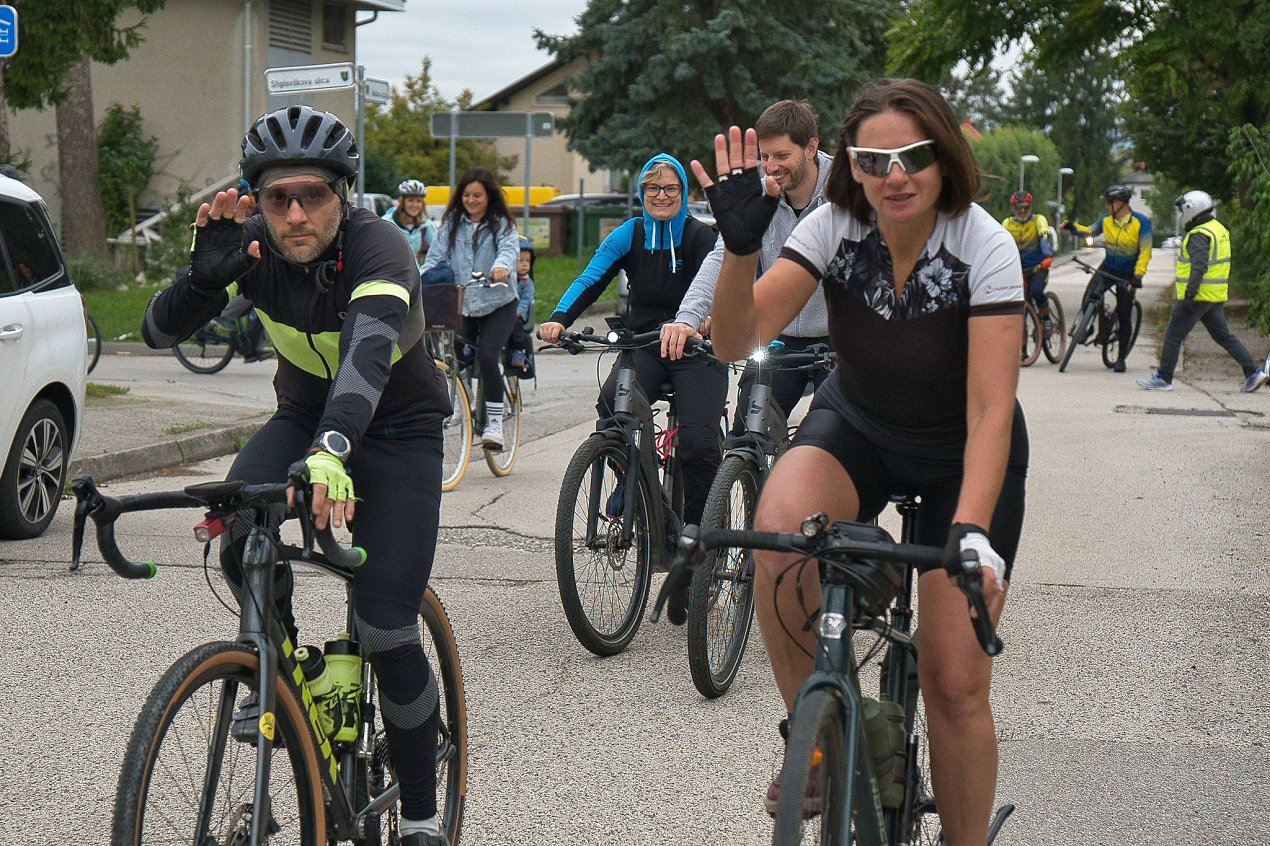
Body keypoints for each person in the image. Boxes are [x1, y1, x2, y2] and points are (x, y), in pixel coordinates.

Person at [692, 78, 1025, 846]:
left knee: (954, 682)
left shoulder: (983, 243)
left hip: (960, 452)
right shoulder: (834, 227)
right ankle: (822, 740)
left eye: (913, 156)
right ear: (854, 167)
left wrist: (972, 530)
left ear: (943, 158)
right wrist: (741, 250)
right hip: (862, 424)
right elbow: (734, 342)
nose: (895, 175)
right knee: (779, 534)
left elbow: (989, 410)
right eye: (876, 160)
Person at [141, 105, 452, 846]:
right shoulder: (252, 247)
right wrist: (199, 280)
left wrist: (334, 448)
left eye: (313, 195)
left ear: (344, 197)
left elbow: (369, 354)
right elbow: (157, 331)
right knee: (234, 528)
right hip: (303, 419)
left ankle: (420, 814)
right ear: (258, 201)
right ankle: (279, 668)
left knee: (385, 627)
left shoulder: (382, 249)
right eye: (277, 198)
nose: (295, 213)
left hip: (398, 433)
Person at [538, 153, 728, 617]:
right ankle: (638, 487)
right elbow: (591, 277)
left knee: (700, 445)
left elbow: (721, 287)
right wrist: (560, 318)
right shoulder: (630, 233)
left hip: (697, 349)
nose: (661, 197)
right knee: (613, 407)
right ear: (641, 195)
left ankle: (698, 541)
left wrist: (707, 323)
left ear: (684, 194)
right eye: (652, 189)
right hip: (644, 342)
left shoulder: (702, 236)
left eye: (671, 189)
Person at [669, 99, 834, 431]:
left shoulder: (845, 190)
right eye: (764, 157)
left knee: (829, 435)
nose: (771, 167)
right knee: (746, 429)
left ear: (811, 147)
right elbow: (722, 256)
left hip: (838, 338)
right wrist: (688, 317)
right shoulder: (758, 195)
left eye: (782, 156)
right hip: (779, 334)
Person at [420, 167, 520, 449]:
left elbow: (509, 250)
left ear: (489, 196)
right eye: (466, 195)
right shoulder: (451, 223)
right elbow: (436, 257)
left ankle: (495, 424)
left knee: (488, 357)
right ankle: (465, 401)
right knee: (457, 357)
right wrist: (417, 278)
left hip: (498, 301)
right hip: (463, 302)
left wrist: (501, 267)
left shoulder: (502, 223)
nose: (471, 200)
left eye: (477, 195)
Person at [1137, 190, 1267, 393]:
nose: (1181, 215)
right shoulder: (1218, 229)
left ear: (1191, 210)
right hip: (1213, 295)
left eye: (1182, 211)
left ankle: (1164, 378)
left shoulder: (1199, 234)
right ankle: (1253, 372)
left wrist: (1189, 294)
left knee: (1173, 335)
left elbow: (1199, 266)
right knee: (1223, 336)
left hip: (1197, 296)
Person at [1060, 184, 1152, 372]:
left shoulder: (1141, 222)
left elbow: (1145, 251)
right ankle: (1087, 326)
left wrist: (1137, 276)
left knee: (1125, 314)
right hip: (1109, 266)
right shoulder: (1106, 221)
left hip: (1129, 272)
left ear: (1120, 203)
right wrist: (1072, 227)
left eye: (1109, 203)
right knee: (1091, 293)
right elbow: (1089, 231)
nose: (1106, 207)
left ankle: (1120, 358)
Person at [1002, 189, 1055, 327]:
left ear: (1030, 207)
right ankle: (1022, 342)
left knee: (1036, 290)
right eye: (1018, 208)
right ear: (1013, 208)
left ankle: (1047, 319)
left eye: (1025, 207)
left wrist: (1048, 255)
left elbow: (1044, 236)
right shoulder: (1007, 224)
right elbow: (1001, 245)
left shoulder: (1038, 220)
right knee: (1016, 302)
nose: (1022, 211)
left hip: (1038, 266)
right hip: (1018, 269)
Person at [384, 178, 439, 264]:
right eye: (410, 200)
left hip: (414, 272)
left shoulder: (425, 224)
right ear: (403, 202)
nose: (415, 205)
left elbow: (438, 248)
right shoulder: (387, 222)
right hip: (390, 270)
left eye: (419, 201)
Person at [507, 236, 536, 374]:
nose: (525, 264)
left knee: (516, 326)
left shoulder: (526, 283)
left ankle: (518, 351)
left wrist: (519, 311)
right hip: (504, 310)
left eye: (528, 261)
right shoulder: (507, 278)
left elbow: (526, 300)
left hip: (518, 314)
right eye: (520, 260)